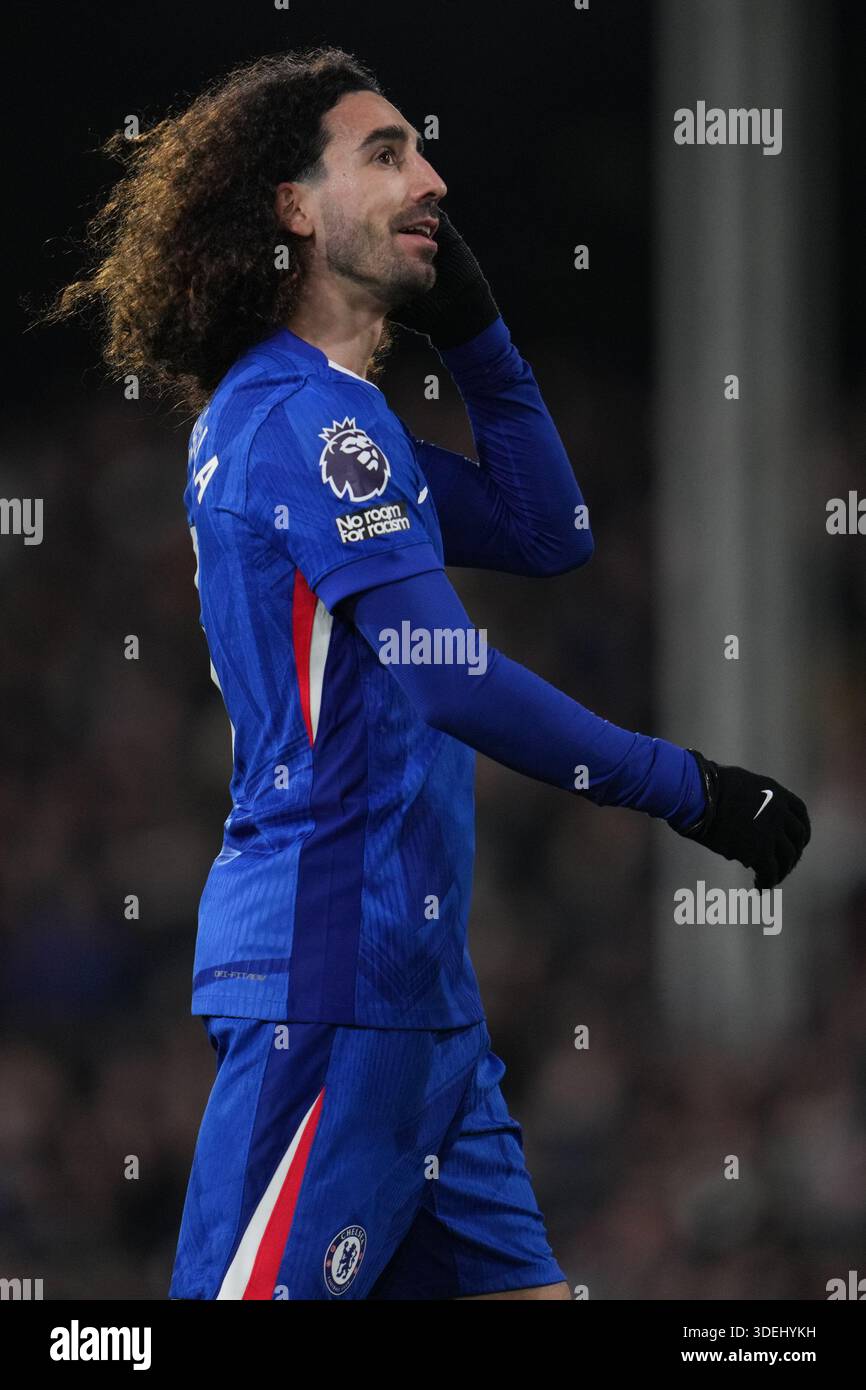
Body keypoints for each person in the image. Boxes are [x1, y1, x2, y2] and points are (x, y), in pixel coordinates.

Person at [50, 47, 810, 1301]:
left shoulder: (340, 424)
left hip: (418, 1003)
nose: (431, 178)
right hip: (332, 988)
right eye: (385, 153)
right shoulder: (303, 423)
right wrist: (694, 790)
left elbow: (547, 534)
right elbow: (447, 676)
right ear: (292, 207)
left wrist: (480, 335)